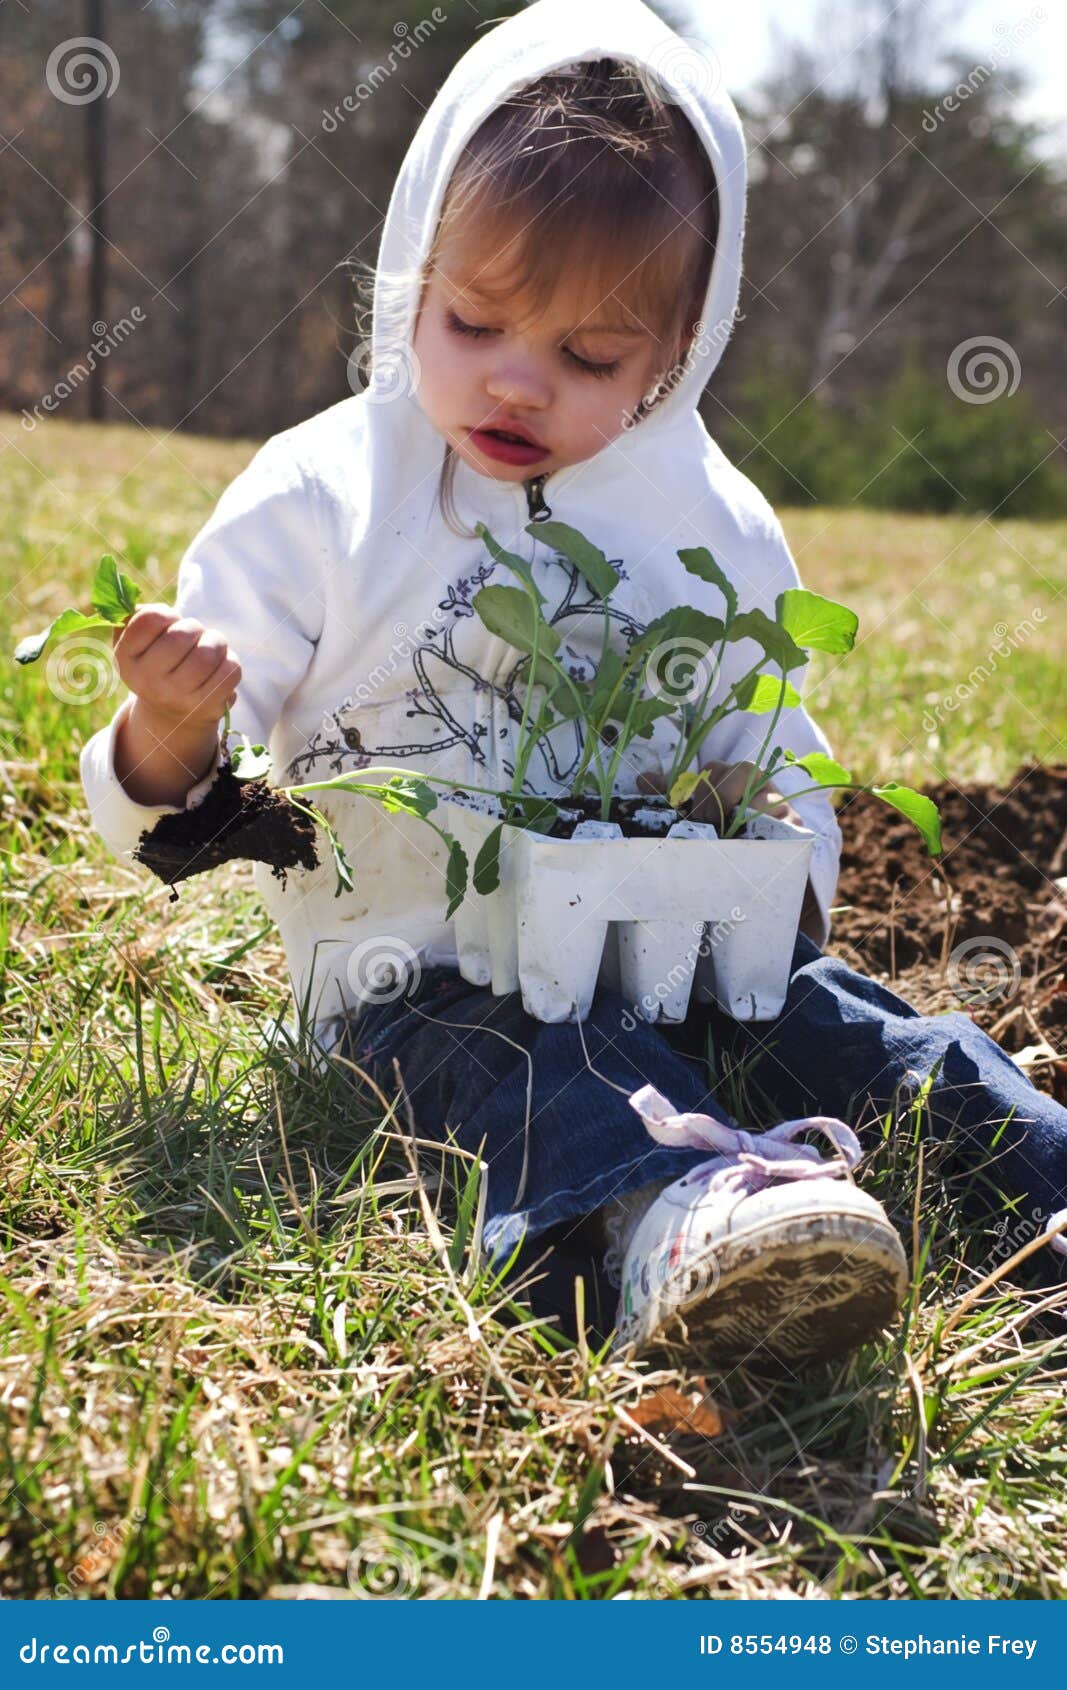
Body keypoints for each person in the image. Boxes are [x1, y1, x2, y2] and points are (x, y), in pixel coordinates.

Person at [79, 0, 1067, 1371]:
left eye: (590, 357)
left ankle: (1039, 1202)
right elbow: (173, 799)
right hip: (415, 973)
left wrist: (762, 840)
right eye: (476, 320)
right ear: (417, 270)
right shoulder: (327, 497)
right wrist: (174, 727)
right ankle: (681, 1221)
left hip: (679, 957)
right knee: (538, 1063)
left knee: (862, 1031)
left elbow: (775, 755)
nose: (517, 382)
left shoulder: (708, 525)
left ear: (676, 354)